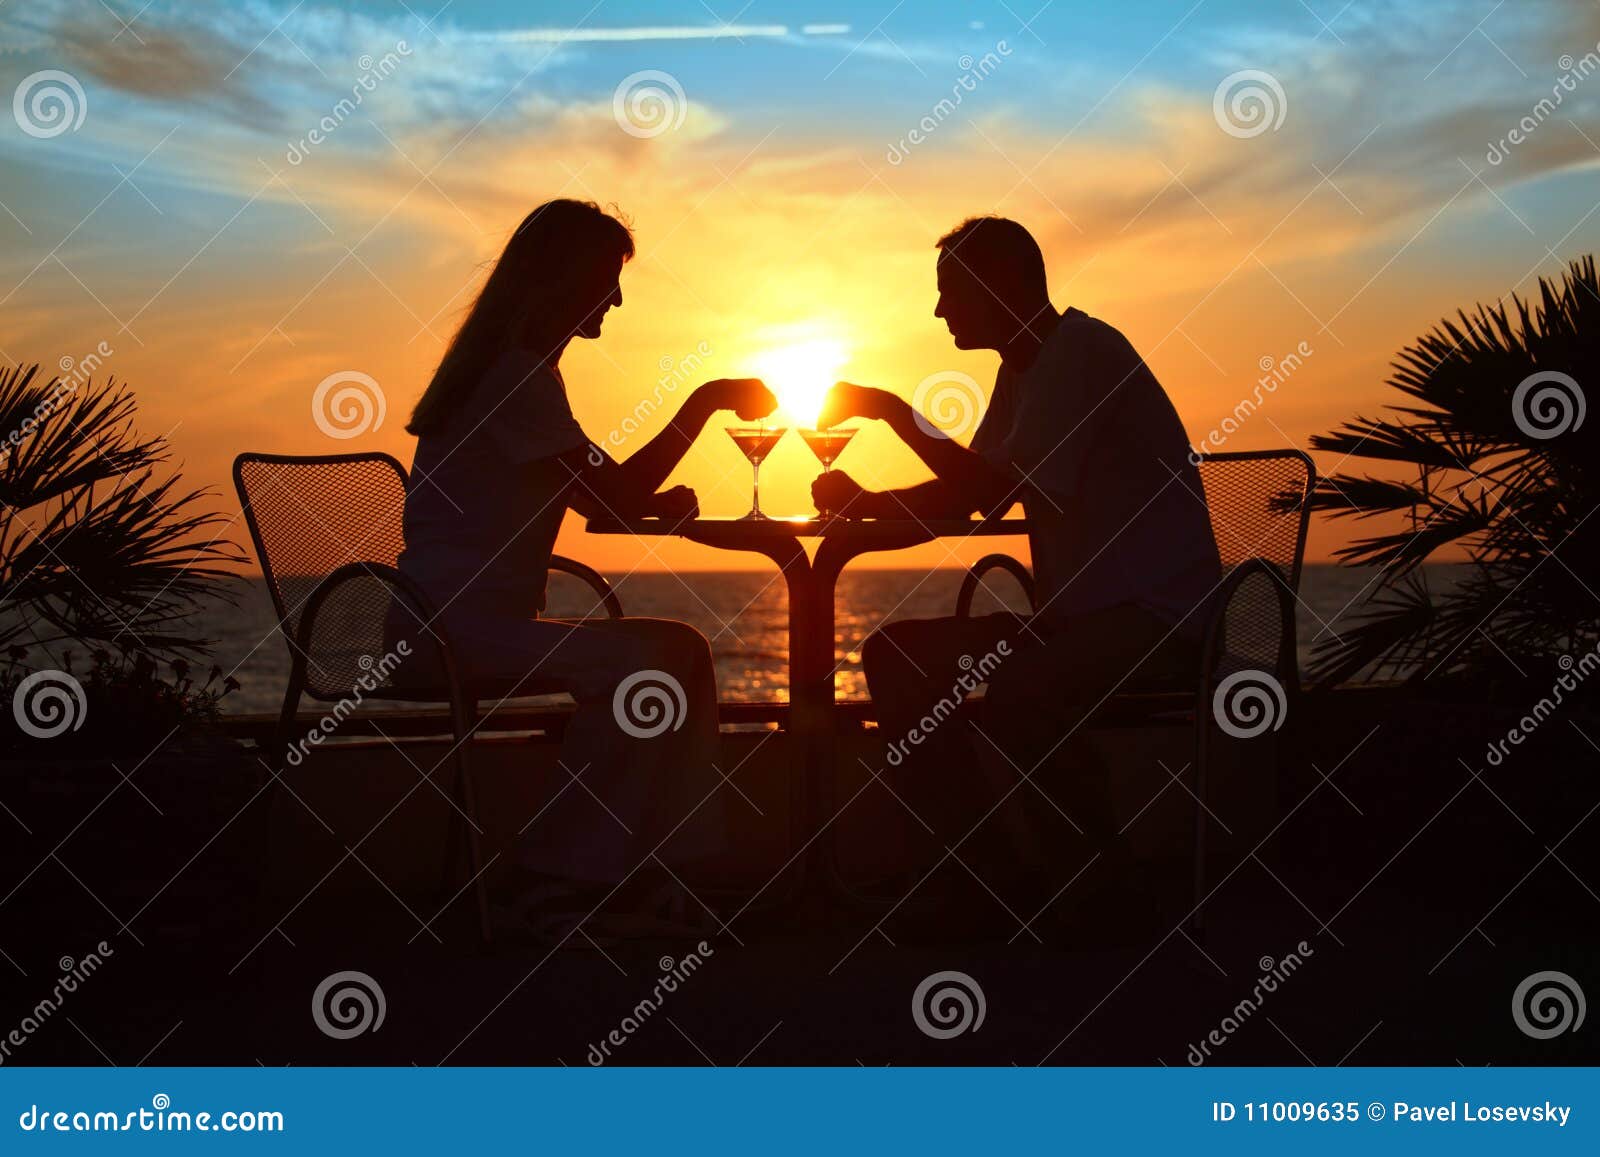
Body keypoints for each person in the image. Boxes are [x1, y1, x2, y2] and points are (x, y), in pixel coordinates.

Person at [392, 198, 774, 940]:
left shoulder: (516, 376)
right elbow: (618, 497)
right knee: (656, 662)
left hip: (463, 624)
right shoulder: (517, 379)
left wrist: (651, 495)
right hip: (451, 632)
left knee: (675, 654)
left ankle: (634, 872)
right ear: (562, 280)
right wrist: (706, 401)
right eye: (608, 277)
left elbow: (605, 505)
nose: (619, 297)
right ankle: (554, 877)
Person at [812, 215, 1222, 903]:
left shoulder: (1080, 352)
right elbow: (967, 495)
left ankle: (1097, 883)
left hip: (1160, 621)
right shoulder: (1024, 366)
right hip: (1079, 621)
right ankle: (980, 872)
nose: (939, 309)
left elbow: (983, 488)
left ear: (1000, 284)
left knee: (1024, 688)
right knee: (895, 658)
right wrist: (867, 500)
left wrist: (889, 410)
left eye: (951, 291)